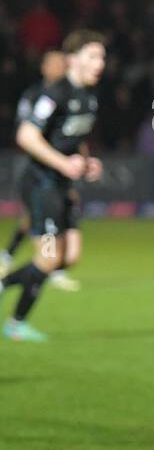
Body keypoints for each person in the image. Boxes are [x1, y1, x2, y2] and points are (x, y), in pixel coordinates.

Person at [1, 32, 106, 341]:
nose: (100, 64)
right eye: (93, 56)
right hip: (40, 184)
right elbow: (26, 136)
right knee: (48, 258)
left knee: (68, 257)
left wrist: (87, 162)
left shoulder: (90, 96)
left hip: (62, 186)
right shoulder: (54, 93)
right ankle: (16, 324)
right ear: (72, 59)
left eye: (102, 57)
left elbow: (75, 138)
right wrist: (63, 164)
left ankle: (5, 286)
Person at [1, 49, 81, 292]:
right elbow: (25, 133)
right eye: (54, 63)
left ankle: (34, 265)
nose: (59, 68)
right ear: (44, 67)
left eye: (62, 63)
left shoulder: (73, 96)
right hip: (38, 174)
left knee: (44, 223)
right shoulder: (35, 95)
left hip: (60, 176)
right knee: (39, 227)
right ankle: (33, 269)